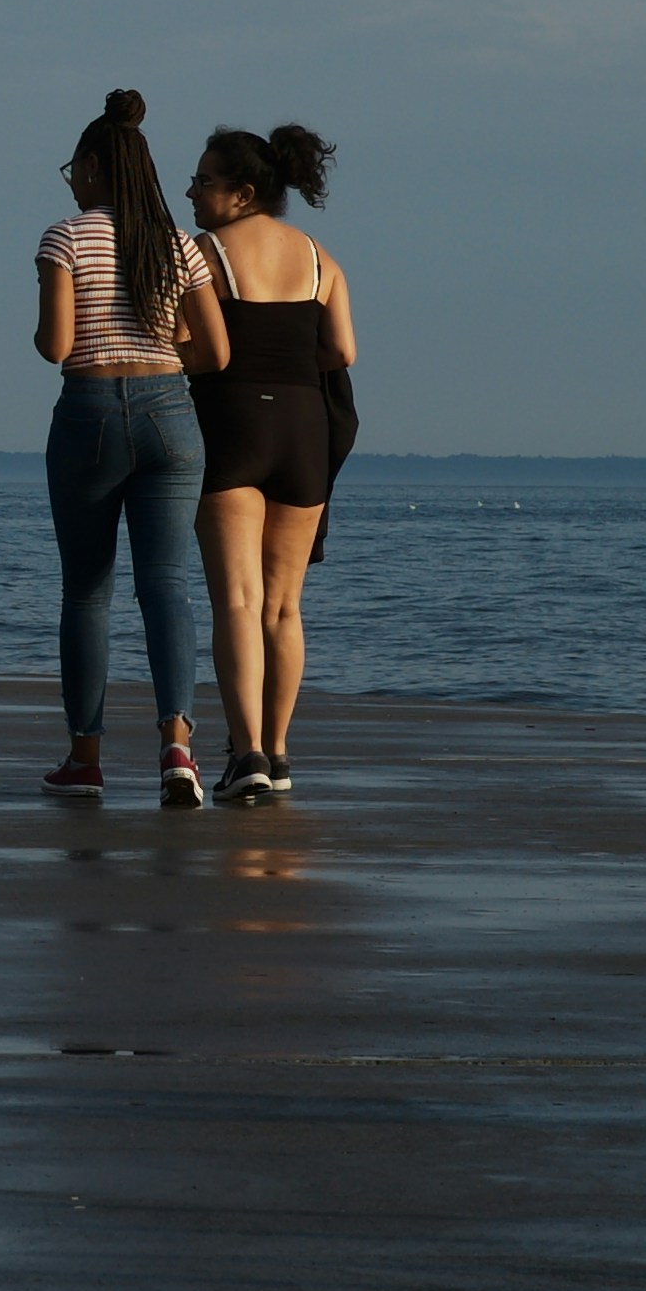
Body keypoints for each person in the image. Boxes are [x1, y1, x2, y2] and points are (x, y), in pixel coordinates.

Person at [33, 89, 216, 811]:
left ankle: (85, 757)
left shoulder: (66, 237)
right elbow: (216, 351)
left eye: (73, 168)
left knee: (87, 590)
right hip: (172, 414)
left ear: (95, 168)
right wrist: (164, 341)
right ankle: (178, 747)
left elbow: (57, 345)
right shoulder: (179, 245)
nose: (70, 181)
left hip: (90, 413)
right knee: (166, 586)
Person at [183, 123, 356, 807]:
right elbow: (342, 350)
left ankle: (244, 751)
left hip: (232, 423)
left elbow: (181, 338)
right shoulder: (319, 258)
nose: (191, 192)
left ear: (241, 192)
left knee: (237, 600)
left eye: (202, 181)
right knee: (285, 607)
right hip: (304, 429)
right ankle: (279, 755)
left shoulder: (206, 253)